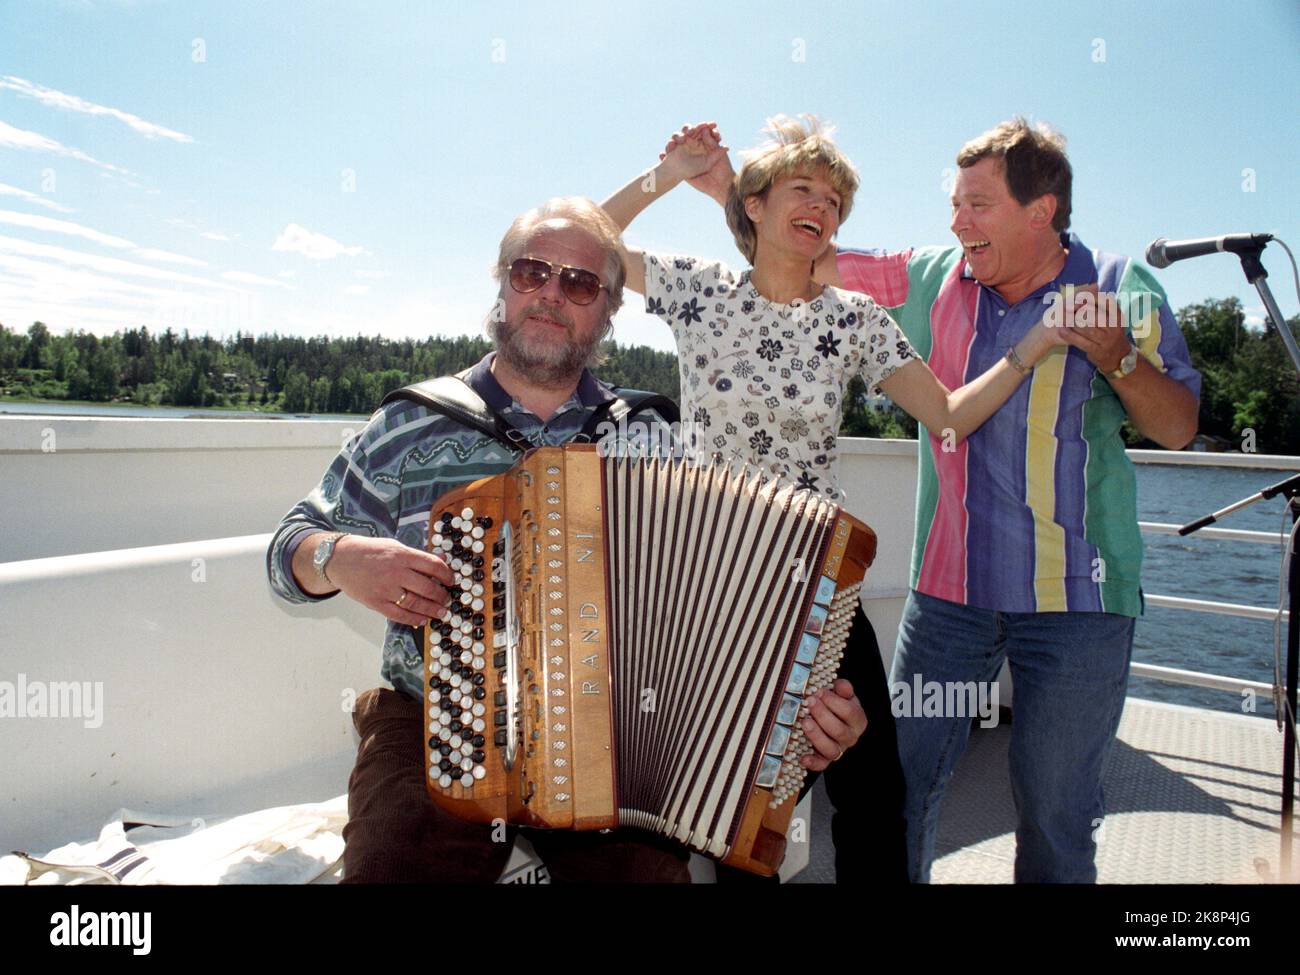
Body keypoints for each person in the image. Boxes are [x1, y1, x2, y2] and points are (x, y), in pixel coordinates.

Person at [679, 116, 1203, 882]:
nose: (957, 222)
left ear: (1041, 210)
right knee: (903, 790)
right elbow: (808, 255)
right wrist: (730, 185)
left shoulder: (1122, 288)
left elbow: (1180, 426)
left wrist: (1118, 355)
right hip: (948, 598)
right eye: (955, 205)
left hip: (1076, 601)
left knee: (1055, 814)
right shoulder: (930, 276)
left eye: (977, 206)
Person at [600, 117, 1070, 882]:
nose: (822, 205)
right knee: (741, 806)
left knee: (873, 788)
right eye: (803, 189)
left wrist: (1033, 346)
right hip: (715, 583)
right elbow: (585, 241)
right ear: (753, 204)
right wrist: (669, 172)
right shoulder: (700, 292)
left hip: (817, 578)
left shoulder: (853, 318)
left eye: (835, 198)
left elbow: (948, 414)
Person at [266, 197, 693, 883]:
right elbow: (287, 551)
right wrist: (341, 557)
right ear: (502, 282)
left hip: (600, 728)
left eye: (579, 283)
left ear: (609, 308)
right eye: (532, 272)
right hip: (435, 718)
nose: (552, 294)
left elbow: (707, 598)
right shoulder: (413, 422)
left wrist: (793, 697)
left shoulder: (646, 436)